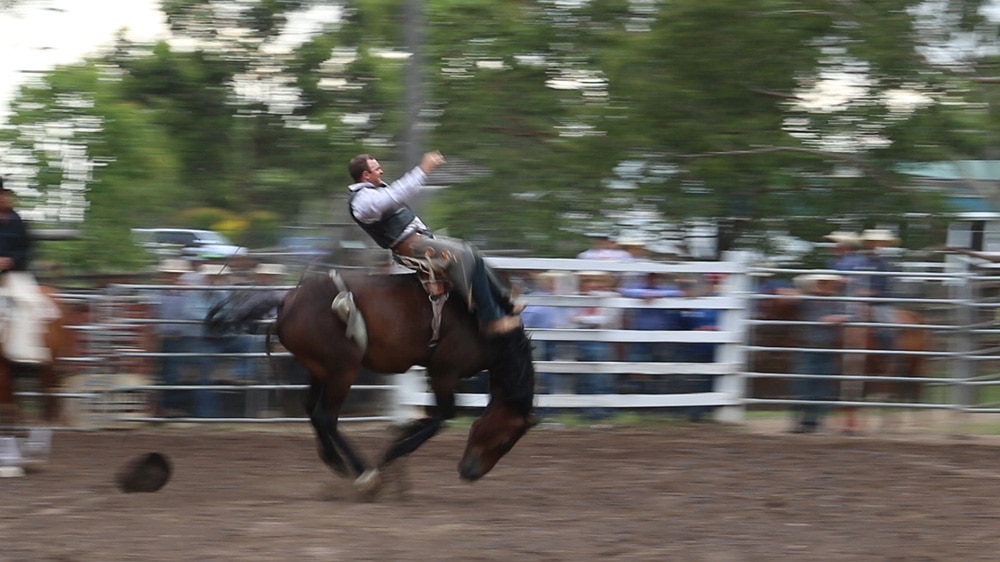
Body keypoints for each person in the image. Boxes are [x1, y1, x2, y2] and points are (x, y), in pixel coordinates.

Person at [347, 151, 522, 336]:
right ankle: (491, 319)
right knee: (463, 255)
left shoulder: (373, 192)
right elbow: (396, 194)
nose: (381, 171)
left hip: (420, 240)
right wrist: (423, 169)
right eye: (376, 169)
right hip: (410, 247)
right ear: (365, 175)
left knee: (470, 251)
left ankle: (503, 299)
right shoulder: (363, 200)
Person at [0, 180, 60, 363]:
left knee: (29, 305)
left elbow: (27, 251)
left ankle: (25, 353)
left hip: (15, 276)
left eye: (4, 194)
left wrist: (11, 260)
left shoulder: (19, 223)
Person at [788, 274, 850, 433]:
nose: (826, 287)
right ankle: (798, 421)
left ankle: (811, 422)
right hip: (810, 347)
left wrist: (840, 318)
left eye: (829, 284)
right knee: (803, 385)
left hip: (827, 348)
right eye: (822, 283)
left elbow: (852, 315)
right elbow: (789, 297)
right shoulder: (806, 301)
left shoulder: (837, 303)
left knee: (820, 386)